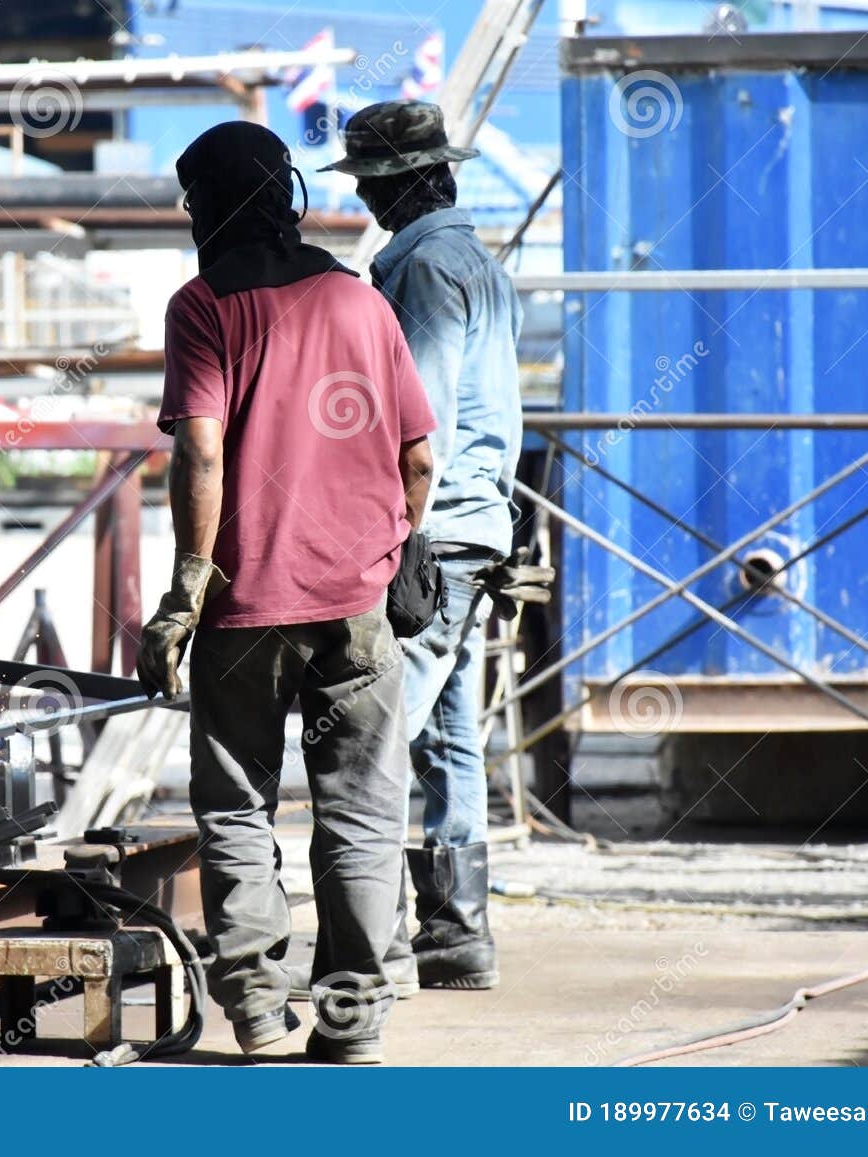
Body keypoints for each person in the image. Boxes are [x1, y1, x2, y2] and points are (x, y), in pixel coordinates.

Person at [138, 121, 437, 1063]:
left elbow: (200, 448)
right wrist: (394, 546)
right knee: (361, 810)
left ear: (203, 207)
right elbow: (419, 456)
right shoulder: (359, 299)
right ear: (288, 191)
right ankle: (352, 1025)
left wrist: (186, 591)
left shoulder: (201, 305)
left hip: (244, 604)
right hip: (357, 600)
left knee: (236, 808)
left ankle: (261, 1017)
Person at [318, 100, 527, 990]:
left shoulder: (424, 269)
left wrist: (393, 540)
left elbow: (417, 429)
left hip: (433, 534)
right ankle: (457, 936)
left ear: (409, 181)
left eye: (372, 184)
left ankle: (377, 951)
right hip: (476, 529)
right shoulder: (476, 261)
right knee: (448, 739)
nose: (367, 201)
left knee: (375, 731)